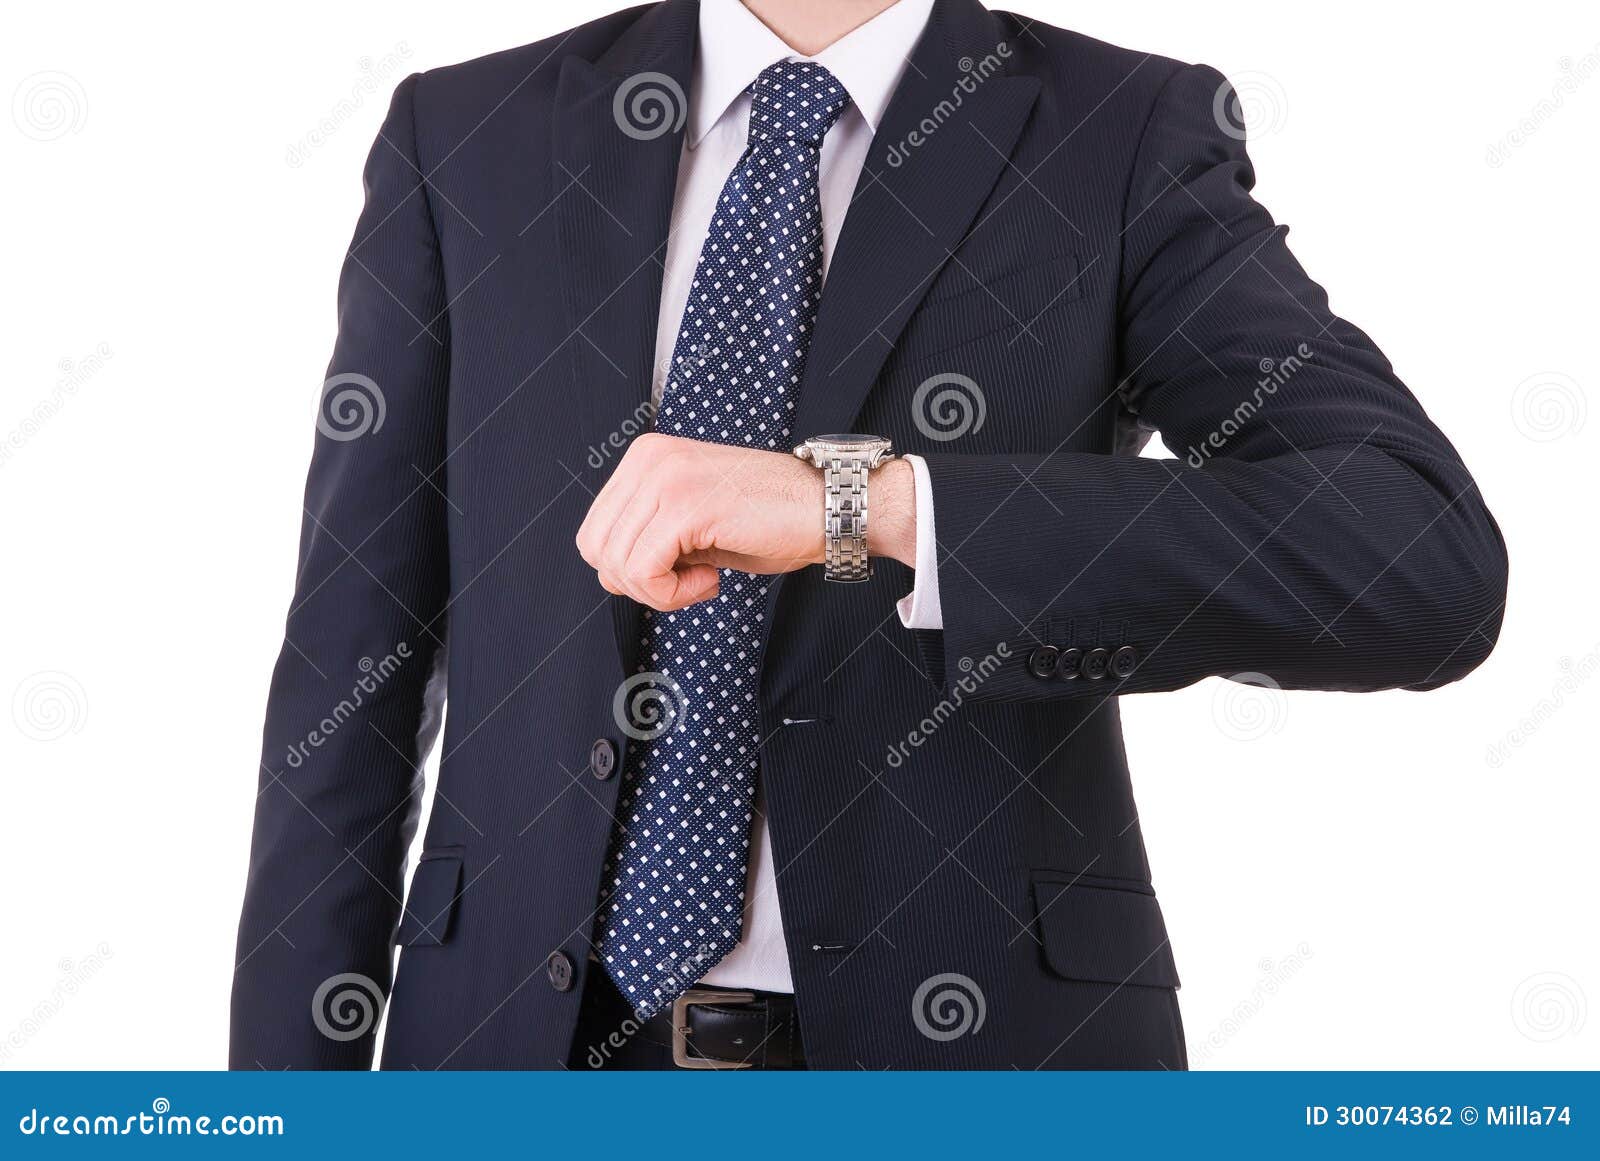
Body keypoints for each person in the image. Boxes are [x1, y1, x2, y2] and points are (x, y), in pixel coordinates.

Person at [231, 0, 1507, 1070]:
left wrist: (873, 507)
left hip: (982, 1057)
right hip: (510, 1051)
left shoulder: (1119, 131)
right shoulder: (467, 134)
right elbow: (352, 661)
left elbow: (1416, 558)